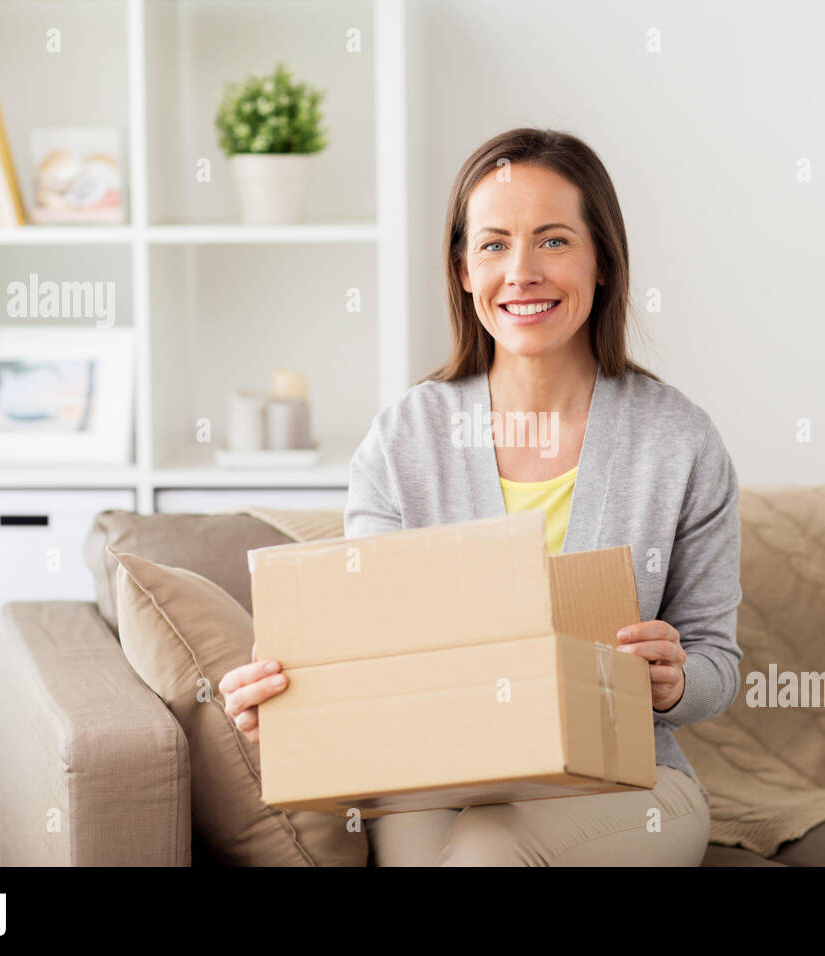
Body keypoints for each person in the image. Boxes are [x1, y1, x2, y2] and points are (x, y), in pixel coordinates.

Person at [220, 127, 743, 866]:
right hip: (436, 783)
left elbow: (717, 665)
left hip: (630, 783)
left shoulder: (679, 441)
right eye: (494, 244)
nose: (521, 272)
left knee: (487, 852)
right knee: (467, 843)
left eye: (555, 242)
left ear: (603, 263)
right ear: (464, 270)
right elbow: (370, 653)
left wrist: (674, 680)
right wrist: (295, 697)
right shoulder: (404, 439)